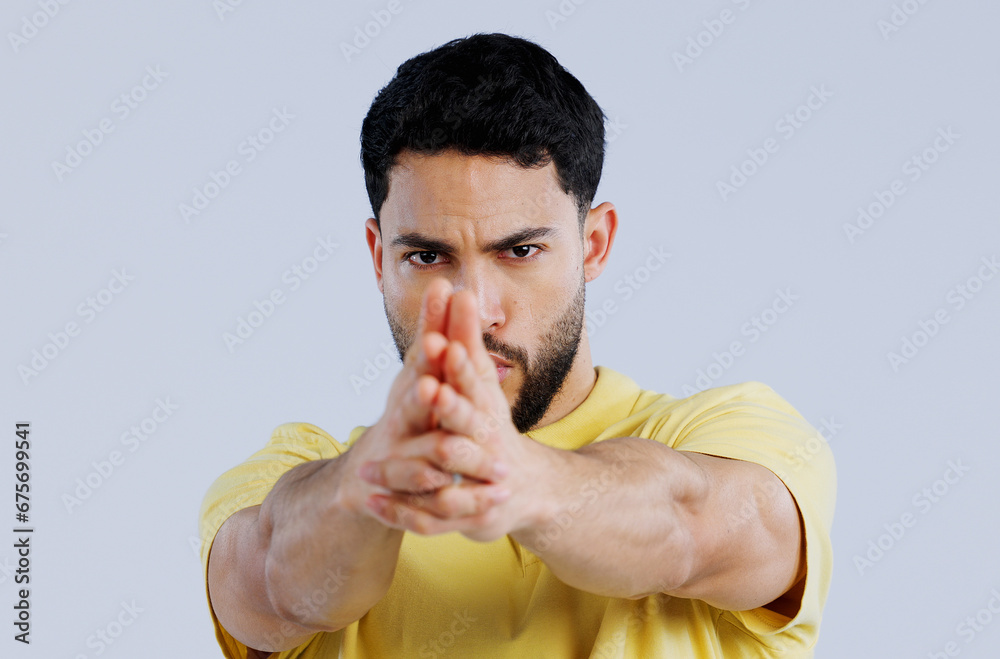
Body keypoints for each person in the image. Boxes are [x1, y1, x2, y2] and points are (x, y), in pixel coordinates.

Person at [198, 32, 836, 658]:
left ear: (594, 244)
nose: (476, 311)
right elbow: (272, 584)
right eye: (426, 255)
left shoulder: (734, 433)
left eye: (520, 250)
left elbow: (685, 524)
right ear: (378, 258)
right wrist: (372, 482)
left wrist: (510, 474)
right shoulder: (302, 470)